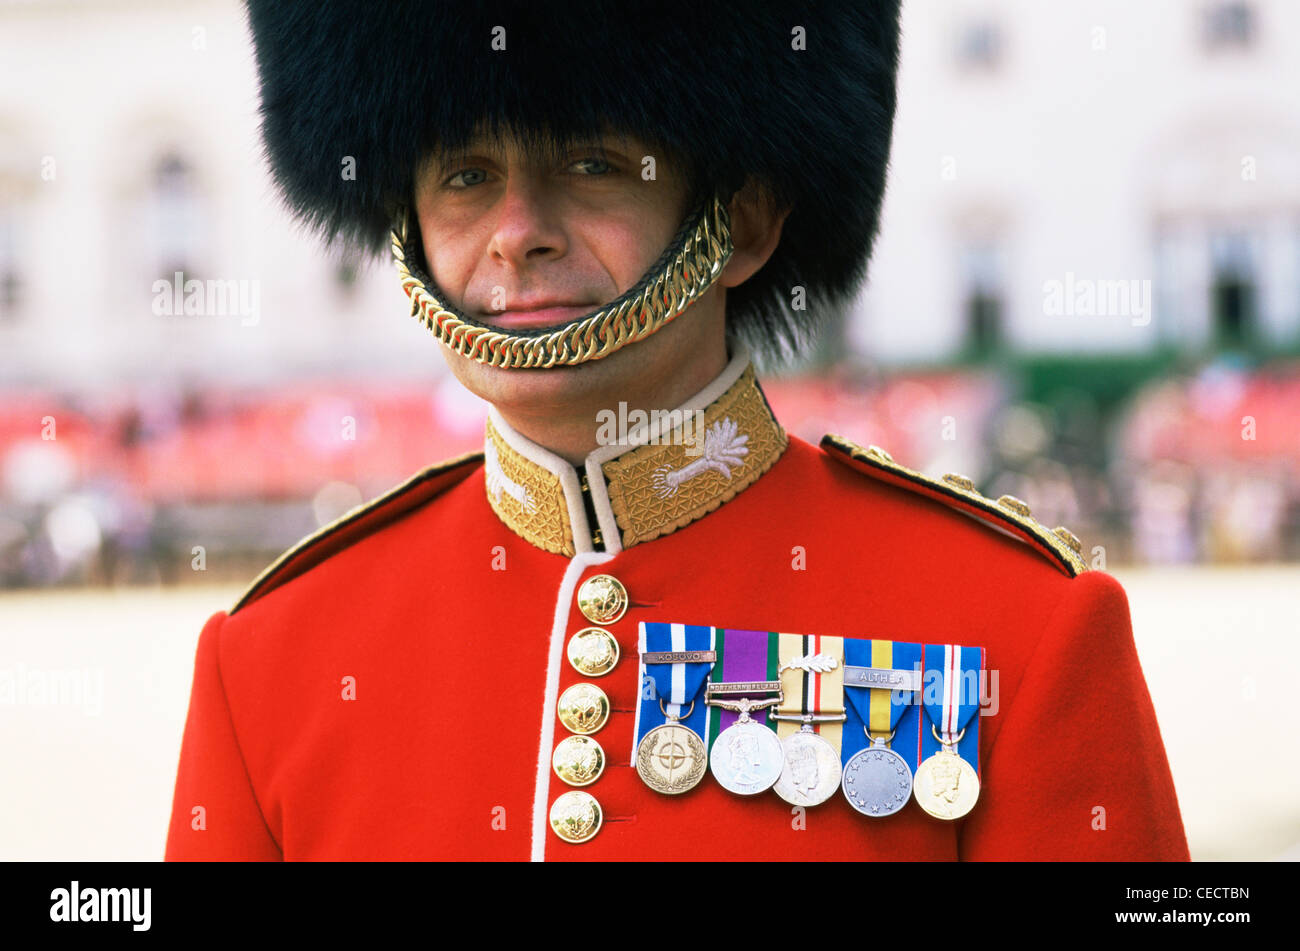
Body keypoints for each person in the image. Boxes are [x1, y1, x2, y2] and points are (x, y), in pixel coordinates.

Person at [165, 1, 1189, 861]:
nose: (519, 230)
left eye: (594, 163)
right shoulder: (269, 662)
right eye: (467, 177)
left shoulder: (1020, 631)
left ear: (740, 223)